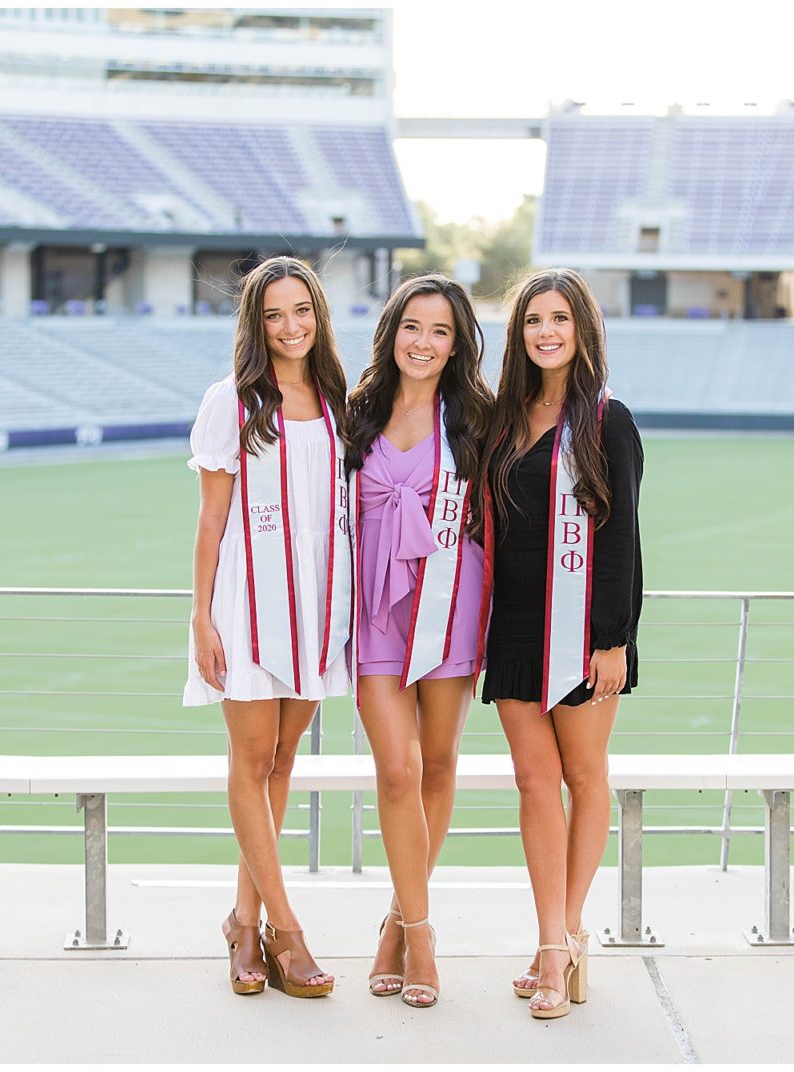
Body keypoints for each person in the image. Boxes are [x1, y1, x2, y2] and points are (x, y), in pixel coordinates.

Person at [478, 268, 644, 1020]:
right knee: (533, 783)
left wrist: (614, 639)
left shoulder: (609, 420)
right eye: (532, 320)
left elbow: (624, 540)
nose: (546, 332)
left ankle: (565, 935)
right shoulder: (500, 420)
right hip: (515, 627)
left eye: (559, 319)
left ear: (582, 330)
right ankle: (553, 939)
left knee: (583, 775)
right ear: (518, 335)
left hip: (585, 633)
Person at [184, 256, 352, 999]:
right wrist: (200, 617)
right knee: (252, 762)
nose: (290, 327)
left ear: (319, 315)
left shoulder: (339, 398)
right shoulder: (232, 400)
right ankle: (285, 931)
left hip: (317, 606)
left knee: (283, 760)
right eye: (274, 314)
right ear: (256, 323)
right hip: (248, 606)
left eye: (302, 311)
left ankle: (241, 922)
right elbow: (212, 518)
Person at [346, 275, 494, 1010]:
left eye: (440, 331)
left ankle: (395, 925)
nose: (424, 343)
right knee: (396, 772)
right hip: (377, 610)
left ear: (458, 342)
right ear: (392, 331)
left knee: (437, 763)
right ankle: (422, 932)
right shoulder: (358, 414)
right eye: (412, 327)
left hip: (450, 607)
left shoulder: (478, 419)